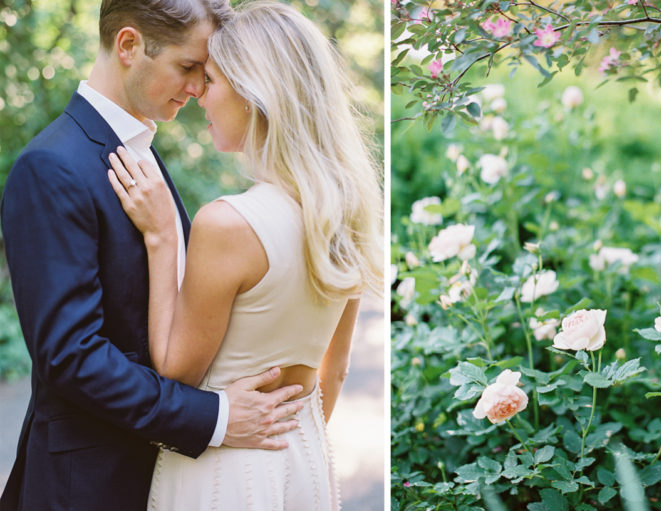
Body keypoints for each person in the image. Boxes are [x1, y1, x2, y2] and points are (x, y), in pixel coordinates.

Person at [0, 1, 309, 510]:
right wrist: (216, 416)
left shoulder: (140, 150)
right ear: (129, 46)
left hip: (165, 479)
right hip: (92, 484)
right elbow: (70, 357)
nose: (198, 88)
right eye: (189, 67)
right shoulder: (50, 167)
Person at [106, 2, 383, 509]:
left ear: (255, 95)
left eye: (209, 81)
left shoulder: (229, 223)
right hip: (304, 460)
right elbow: (334, 372)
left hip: (225, 470)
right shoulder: (347, 212)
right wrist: (295, 441)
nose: (199, 97)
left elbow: (175, 371)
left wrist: (164, 237)